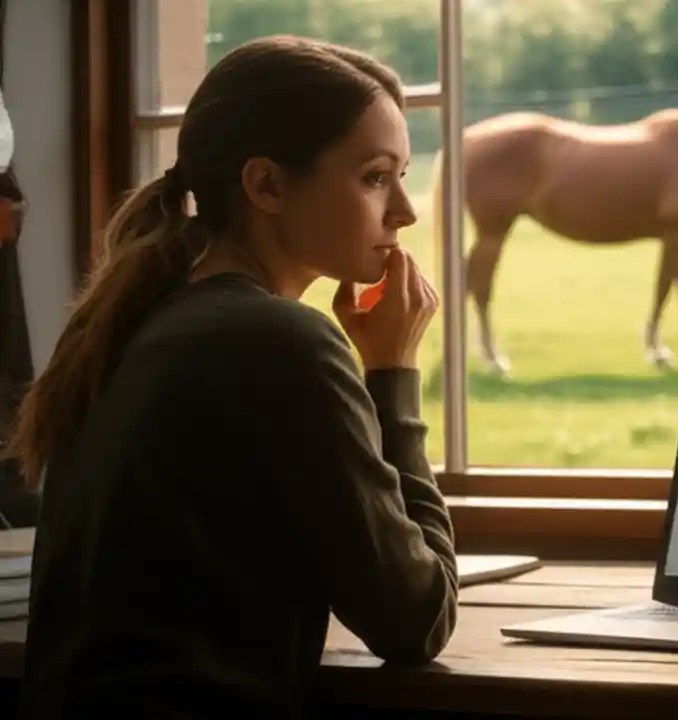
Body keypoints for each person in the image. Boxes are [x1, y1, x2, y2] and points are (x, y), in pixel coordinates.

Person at [4, 35, 457, 717]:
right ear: (266, 185)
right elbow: (417, 618)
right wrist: (391, 373)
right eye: (374, 177)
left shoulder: (130, 321)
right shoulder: (283, 342)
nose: (405, 210)